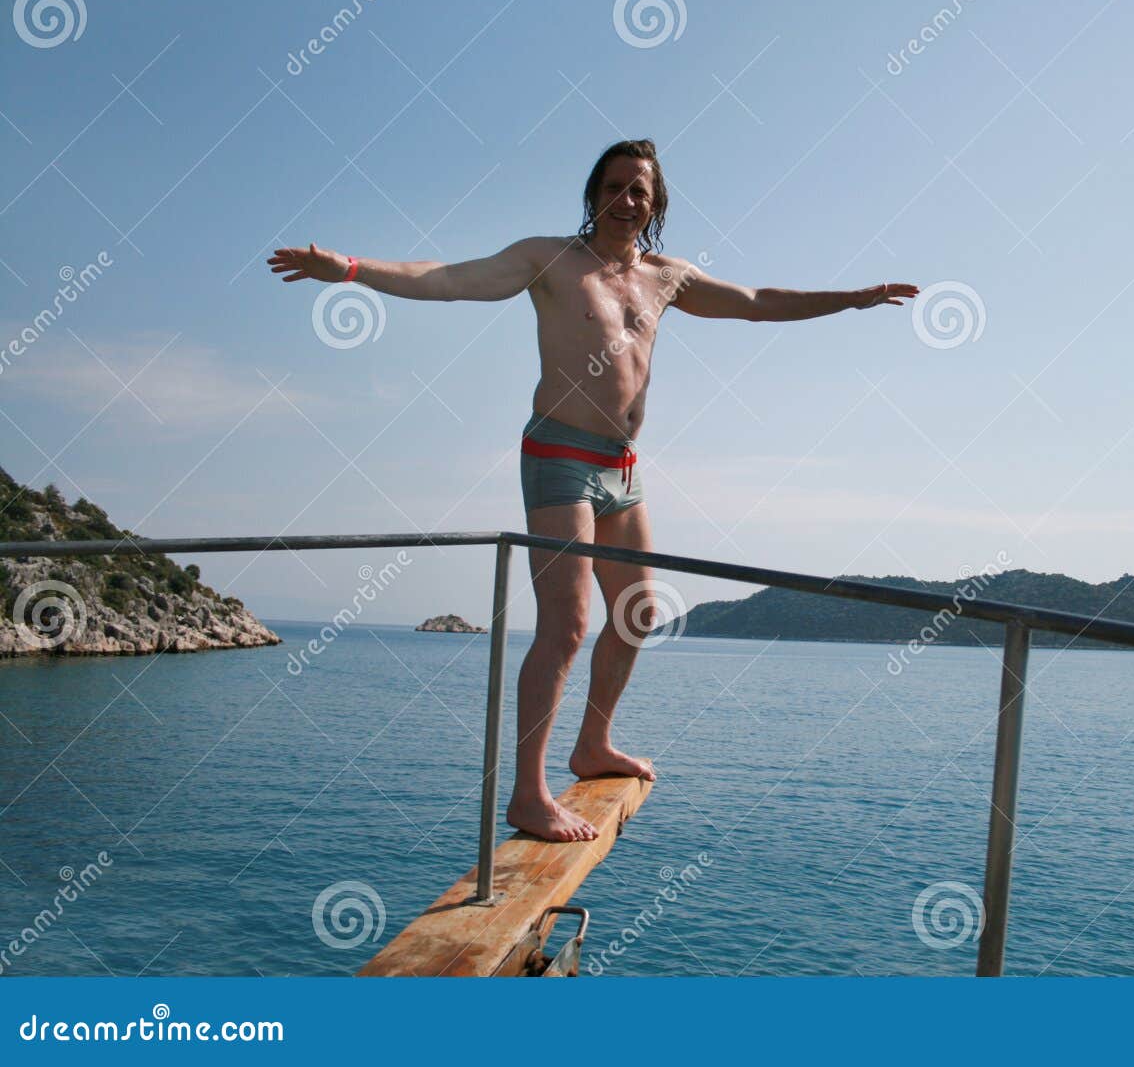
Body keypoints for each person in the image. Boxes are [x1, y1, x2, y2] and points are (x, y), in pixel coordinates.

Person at [268, 138, 918, 840]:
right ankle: (528, 793)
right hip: (560, 457)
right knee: (567, 625)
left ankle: (593, 744)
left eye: (640, 190)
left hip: (624, 468)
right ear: (594, 194)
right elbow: (448, 278)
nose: (626, 200)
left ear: (655, 205)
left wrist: (853, 299)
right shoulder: (549, 261)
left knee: (638, 614)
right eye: (614, 187)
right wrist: (351, 269)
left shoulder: (667, 278)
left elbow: (758, 302)